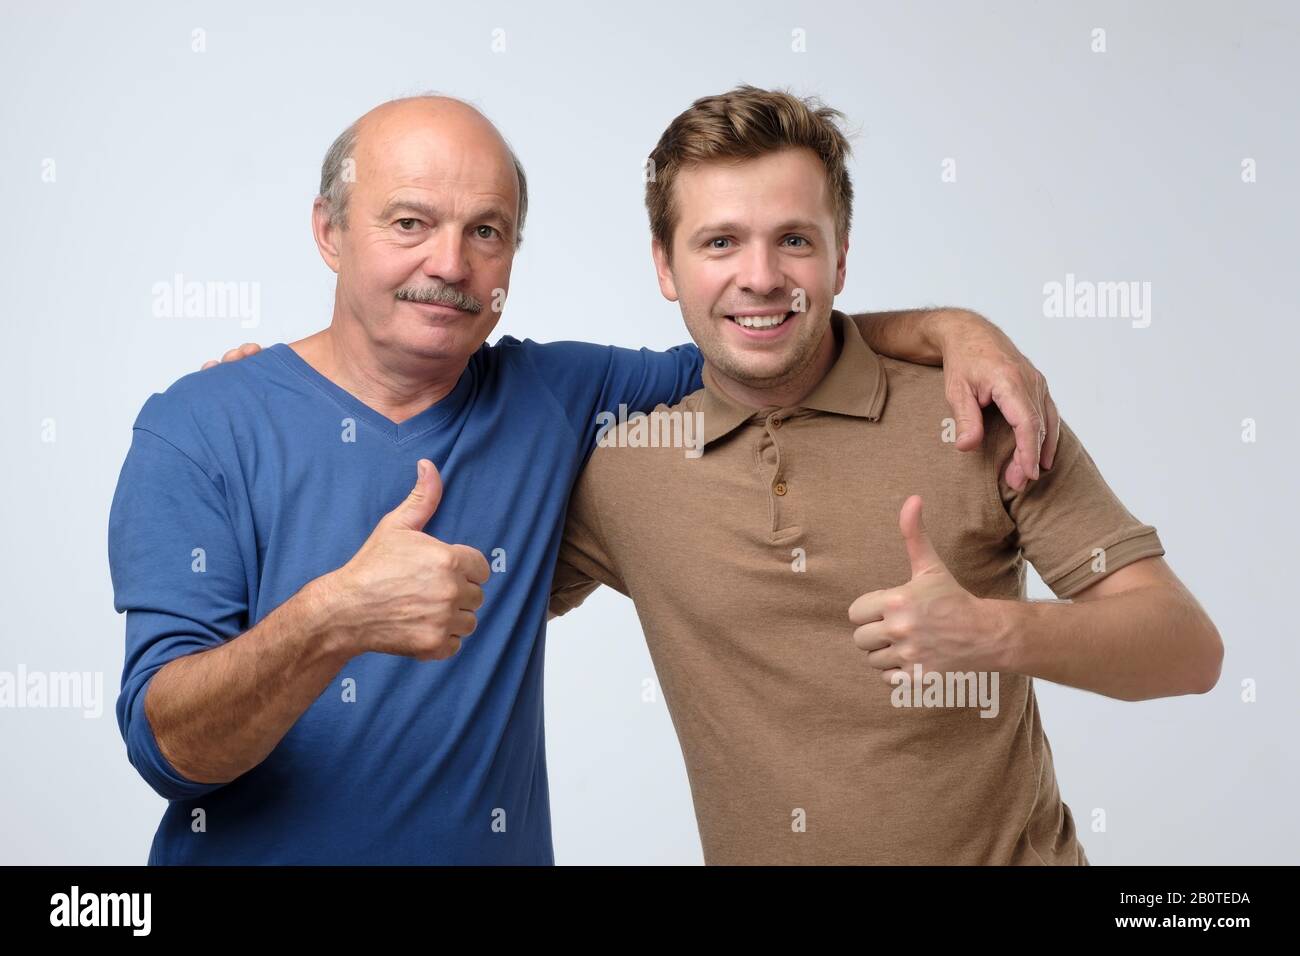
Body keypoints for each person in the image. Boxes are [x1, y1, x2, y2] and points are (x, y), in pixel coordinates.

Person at [117, 94, 1057, 864]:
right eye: (410, 223)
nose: (449, 263)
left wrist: (951, 329)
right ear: (329, 232)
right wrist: (330, 619)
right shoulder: (198, 426)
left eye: (486, 231)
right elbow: (170, 753)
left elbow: (759, 335)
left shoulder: (562, 396)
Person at [547, 86, 1223, 864]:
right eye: (720, 243)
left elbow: (1187, 651)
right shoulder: (624, 474)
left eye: (794, 240)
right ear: (666, 265)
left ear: (843, 252)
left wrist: (991, 632)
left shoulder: (981, 412)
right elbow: (465, 617)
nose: (761, 276)